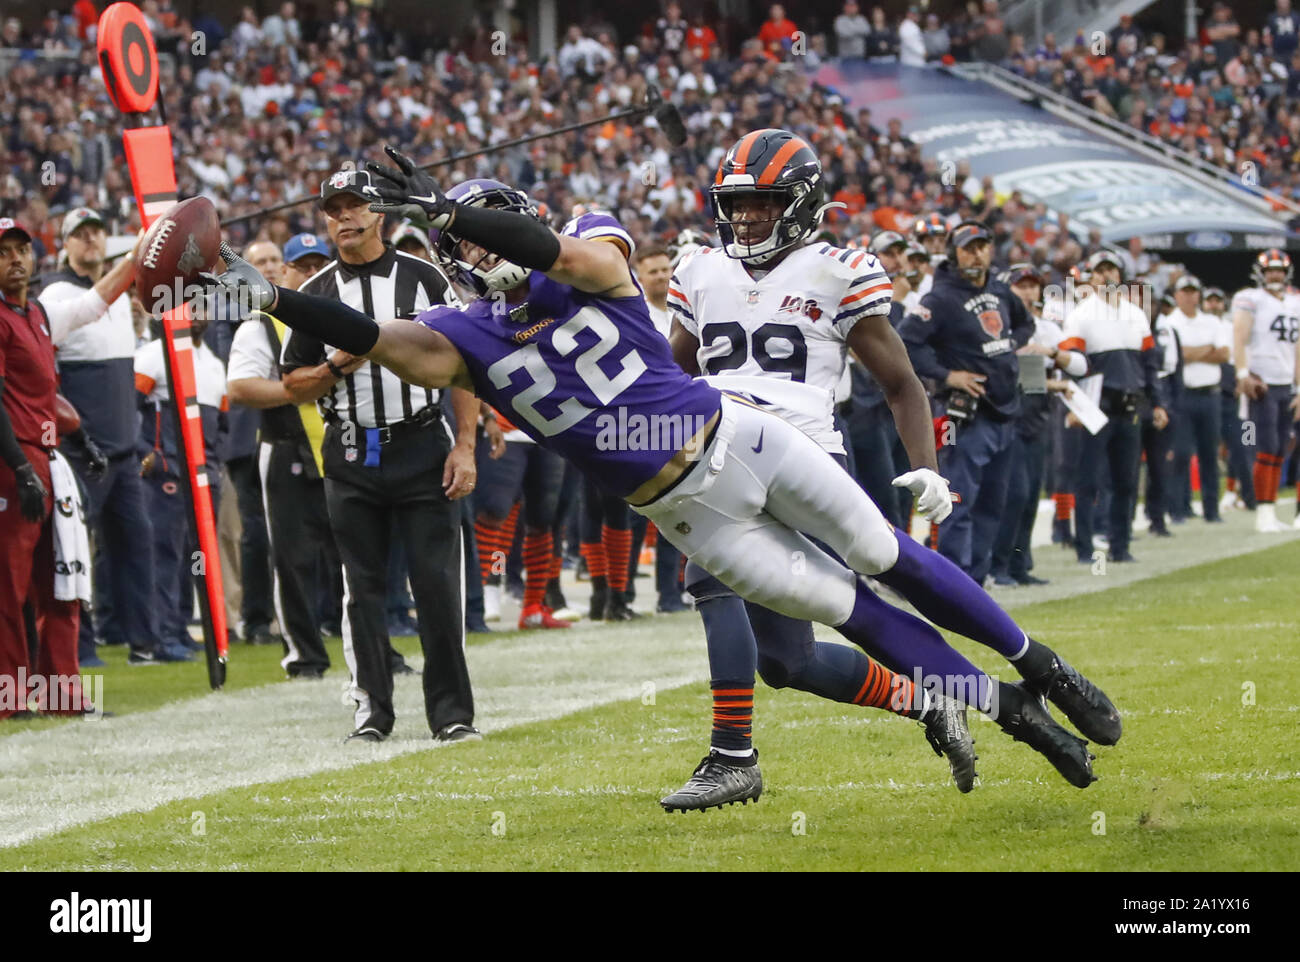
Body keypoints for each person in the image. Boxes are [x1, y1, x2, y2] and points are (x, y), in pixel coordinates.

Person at [204, 144, 1122, 803]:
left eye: (487, 241)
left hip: (746, 440)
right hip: (694, 518)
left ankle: (1043, 667)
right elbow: (382, 342)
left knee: (883, 554)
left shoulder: (588, 253)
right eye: (462, 251)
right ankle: (1011, 711)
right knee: (853, 616)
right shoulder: (460, 336)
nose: (474, 259)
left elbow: (575, 256)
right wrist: (273, 297)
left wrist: (443, 211)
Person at [277, 169, 481, 742]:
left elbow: (467, 365)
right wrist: (343, 360)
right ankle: (372, 712)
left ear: (380, 215)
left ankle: (452, 714)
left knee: (437, 586)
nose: (344, 217)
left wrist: (464, 444)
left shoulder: (425, 277)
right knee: (360, 591)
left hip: (421, 443)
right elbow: (294, 384)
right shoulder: (313, 292)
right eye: (333, 209)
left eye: (354, 206)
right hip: (351, 451)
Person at [38, 208, 169, 665]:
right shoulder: (57, 293)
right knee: (75, 553)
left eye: (96, 232)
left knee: (137, 547)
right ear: (64, 244)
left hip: (124, 449)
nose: (91, 240)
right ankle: (81, 646)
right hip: (83, 452)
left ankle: (146, 642)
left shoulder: (119, 299)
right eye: (81, 234)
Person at [897, 221, 1034, 584]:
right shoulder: (939, 298)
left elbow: (1026, 325)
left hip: (1004, 412)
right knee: (959, 501)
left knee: (994, 502)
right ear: (955, 254)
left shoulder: (1002, 289)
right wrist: (946, 375)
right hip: (963, 418)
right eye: (969, 247)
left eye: (983, 246)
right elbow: (906, 341)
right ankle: (954, 585)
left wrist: (1008, 346)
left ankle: (977, 580)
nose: (977, 253)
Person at [226, 233, 337, 678]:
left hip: (337, 449)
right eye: (302, 267)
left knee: (357, 558)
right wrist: (298, 390)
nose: (311, 274)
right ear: (285, 273)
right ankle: (305, 655)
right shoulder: (260, 324)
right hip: (288, 449)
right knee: (293, 560)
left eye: (317, 266)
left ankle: (372, 650)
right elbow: (240, 387)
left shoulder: (340, 314)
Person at [0, 218, 96, 717]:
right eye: (4, 253)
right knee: (7, 587)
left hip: (47, 458)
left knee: (61, 578)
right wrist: (18, 467)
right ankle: (8, 699)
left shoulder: (35, 313)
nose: (15, 259)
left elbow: (40, 395)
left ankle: (59, 695)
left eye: (22, 250)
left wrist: (83, 438)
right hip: (10, 461)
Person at [1059, 250, 1167, 563]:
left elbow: (1149, 365)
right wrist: (1075, 405)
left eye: (1112, 271)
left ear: (1120, 276)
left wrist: (1157, 403)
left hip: (1131, 404)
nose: (1107, 276)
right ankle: (1084, 548)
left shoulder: (1135, 313)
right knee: (1088, 478)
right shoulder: (1081, 314)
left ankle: (1120, 547)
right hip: (1096, 404)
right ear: (1091, 277)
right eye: (1100, 271)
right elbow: (1072, 366)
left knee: (1126, 480)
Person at [134, 306, 228, 661]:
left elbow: (220, 423)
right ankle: (162, 635)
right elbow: (131, 408)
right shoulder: (152, 356)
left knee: (195, 556)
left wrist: (214, 467)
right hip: (168, 474)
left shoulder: (215, 365)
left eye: (202, 304)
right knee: (165, 554)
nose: (197, 313)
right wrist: (149, 455)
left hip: (204, 475)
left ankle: (181, 628)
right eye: (189, 305)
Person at [989, 263, 1078, 586]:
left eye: (1032, 286)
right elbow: (1019, 377)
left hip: (1038, 416)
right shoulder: (996, 326)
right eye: (1021, 286)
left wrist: (1052, 353)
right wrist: (1051, 381)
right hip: (1009, 414)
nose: (1028, 292)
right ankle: (997, 565)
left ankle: (1018, 563)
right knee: (1014, 493)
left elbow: (1080, 364)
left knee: (1029, 495)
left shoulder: (1047, 328)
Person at [1230, 249, 1300, 532]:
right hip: (1262, 382)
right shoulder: (1250, 298)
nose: (1275, 276)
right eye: (1270, 271)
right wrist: (1243, 373)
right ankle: (1263, 512)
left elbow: (1297, 348)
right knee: (1265, 445)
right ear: (1261, 273)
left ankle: (1270, 511)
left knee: (1281, 447)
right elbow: (1239, 334)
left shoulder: (1295, 300)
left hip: (1287, 383)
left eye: (1279, 271)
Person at [1166, 275, 1229, 525]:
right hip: (1182, 394)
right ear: (1177, 295)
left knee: (1209, 455)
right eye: (1185, 292)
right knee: (1180, 453)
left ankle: (1211, 510)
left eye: (1194, 292)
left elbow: (1224, 353)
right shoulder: (1170, 322)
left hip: (1210, 394)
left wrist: (1192, 353)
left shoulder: (1211, 321)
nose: (1190, 296)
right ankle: (1178, 508)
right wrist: (1206, 349)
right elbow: (1177, 356)